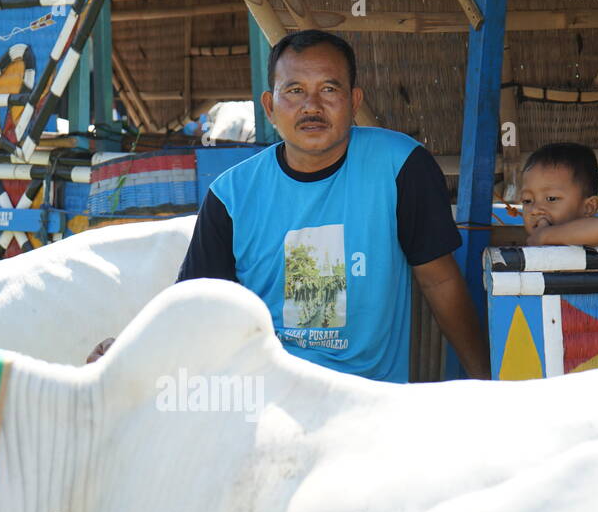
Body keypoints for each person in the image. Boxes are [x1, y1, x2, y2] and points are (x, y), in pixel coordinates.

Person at [92, 30, 488, 381]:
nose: (311, 106)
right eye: (295, 90)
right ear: (269, 106)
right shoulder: (231, 195)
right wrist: (128, 349)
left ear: (354, 101)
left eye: (329, 90)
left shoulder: (399, 165)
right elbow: (194, 305)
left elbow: (439, 279)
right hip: (264, 393)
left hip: (367, 401)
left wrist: (489, 382)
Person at [519, 142, 598, 246]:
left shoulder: (593, 241)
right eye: (527, 201)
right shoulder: (530, 244)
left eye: (551, 198)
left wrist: (545, 236)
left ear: (589, 207)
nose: (535, 210)